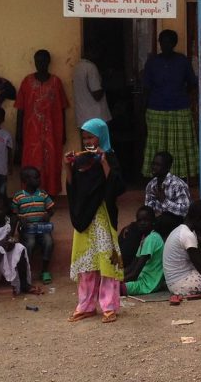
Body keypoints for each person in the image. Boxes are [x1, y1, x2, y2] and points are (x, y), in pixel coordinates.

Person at [66, 118, 126, 323]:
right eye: (84, 137)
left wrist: (104, 163)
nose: (87, 141)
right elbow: (73, 188)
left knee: (106, 260)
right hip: (84, 217)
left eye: (91, 136)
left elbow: (117, 187)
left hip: (101, 216)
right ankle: (85, 305)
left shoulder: (109, 157)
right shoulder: (81, 159)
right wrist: (67, 167)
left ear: (101, 136)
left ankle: (109, 306)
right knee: (86, 262)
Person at [141, 30, 199, 180]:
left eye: (168, 42)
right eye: (162, 42)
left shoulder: (182, 61)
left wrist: (180, 94)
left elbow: (192, 83)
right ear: (159, 43)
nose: (165, 45)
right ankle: (156, 178)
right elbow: (146, 88)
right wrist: (144, 111)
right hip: (156, 109)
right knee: (157, 145)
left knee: (179, 146)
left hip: (180, 109)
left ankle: (180, 177)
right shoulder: (152, 62)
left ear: (174, 44)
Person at [15, 49, 69, 196]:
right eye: (38, 61)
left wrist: (63, 132)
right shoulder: (27, 82)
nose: (41, 64)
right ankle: (30, 196)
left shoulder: (56, 82)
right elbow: (20, 109)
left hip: (52, 133)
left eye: (44, 60)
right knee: (32, 164)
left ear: (49, 62)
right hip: (31, 134)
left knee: (51, 164)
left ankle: (49, 196)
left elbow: (62, 107)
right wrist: (18, 134)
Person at [12, 166, 56, 285]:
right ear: (25, 181)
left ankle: (45, 270)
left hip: (42, 226)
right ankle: (27, 270)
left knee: (49, 242)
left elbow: (51, 209)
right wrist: (21, 219)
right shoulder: (18, 196)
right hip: (27, 228)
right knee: (30, 243)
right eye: (36, 178)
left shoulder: (43, 194)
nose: (39, 180)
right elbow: (14, 213)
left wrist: (47, 214)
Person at [144, 151, 190, 236]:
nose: (154, 167)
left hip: (177, 224)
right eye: (153, 164)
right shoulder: (151, 185)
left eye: (158, 165)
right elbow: (148, 210)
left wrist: (164, 201)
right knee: (133, 229)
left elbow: (185, 211)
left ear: (167, 168)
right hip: (157, 222)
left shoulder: (177, 184)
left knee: (164, 220)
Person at [123, 214, 167, 297]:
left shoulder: (152, 238)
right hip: (144, 279)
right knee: (108, 284)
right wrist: (116, 276)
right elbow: (132, 266)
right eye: (139, 220)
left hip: (148, 284)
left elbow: (135, 274)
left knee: (112, 288)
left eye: (146, 220)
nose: (142, 223)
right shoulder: (146, 238)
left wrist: (117, 281)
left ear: (153, 222)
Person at [73, 43, 112, 129]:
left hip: (83, 117)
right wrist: (105, 80)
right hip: (96, 117)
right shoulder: (91, 67)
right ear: (91, 52)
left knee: (89, 142)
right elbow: (97, 95)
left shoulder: (77, 67)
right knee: (98, 142)